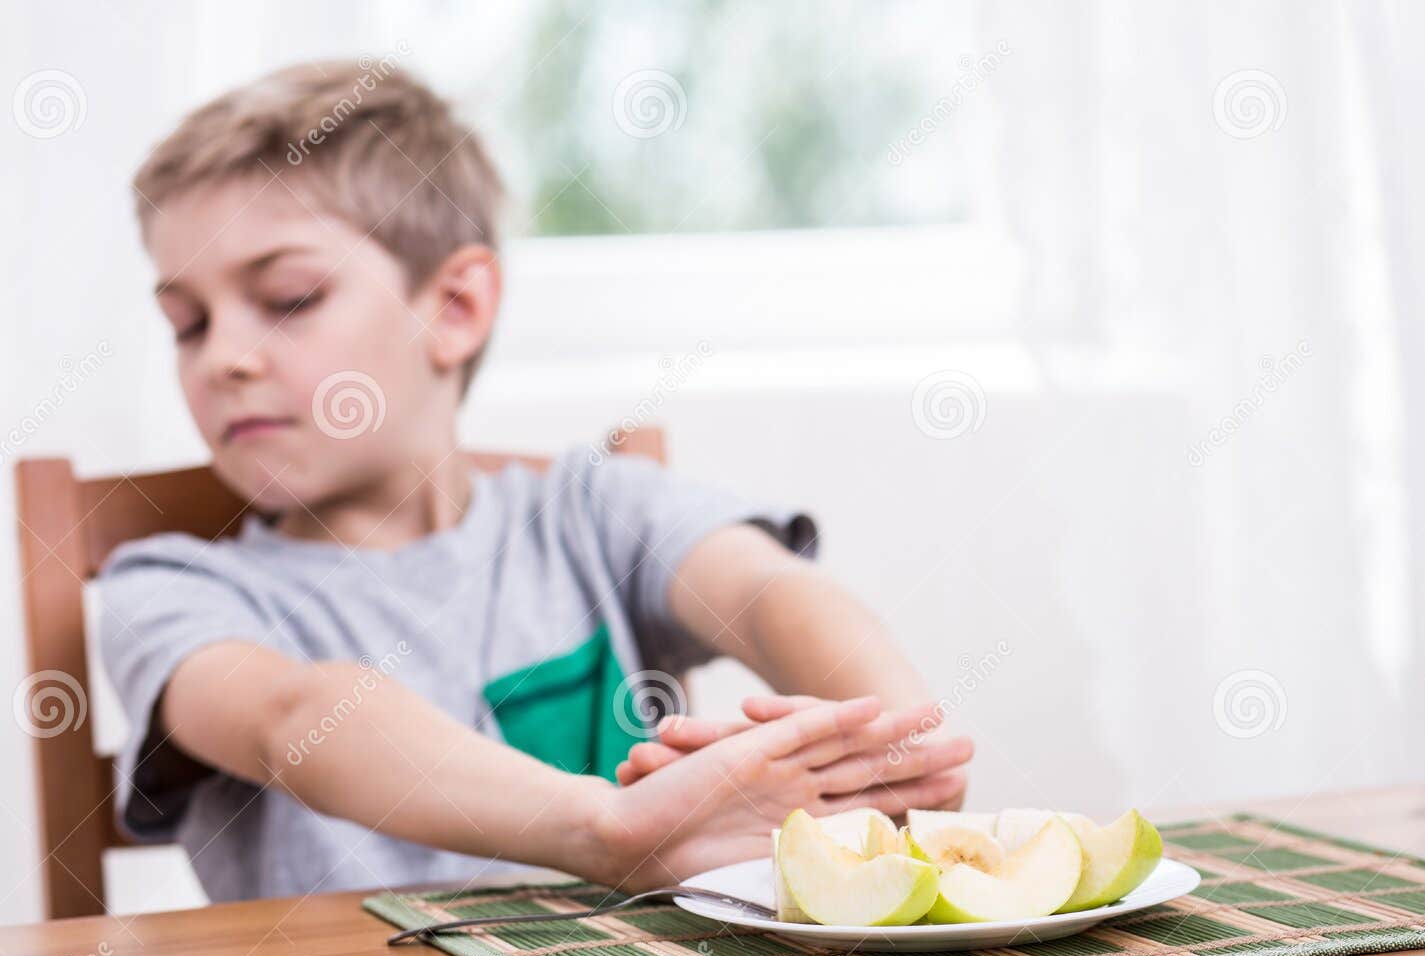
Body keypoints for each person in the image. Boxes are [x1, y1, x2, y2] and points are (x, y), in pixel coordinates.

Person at [97, 61, 971, 903]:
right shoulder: (168, 591)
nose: (224, 359)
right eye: (187, 323)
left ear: (455, 309)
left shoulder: (595, 509)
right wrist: (611, 827)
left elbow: (774, 590)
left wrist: (892, 758)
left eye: (288, 298)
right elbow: (298, 717)